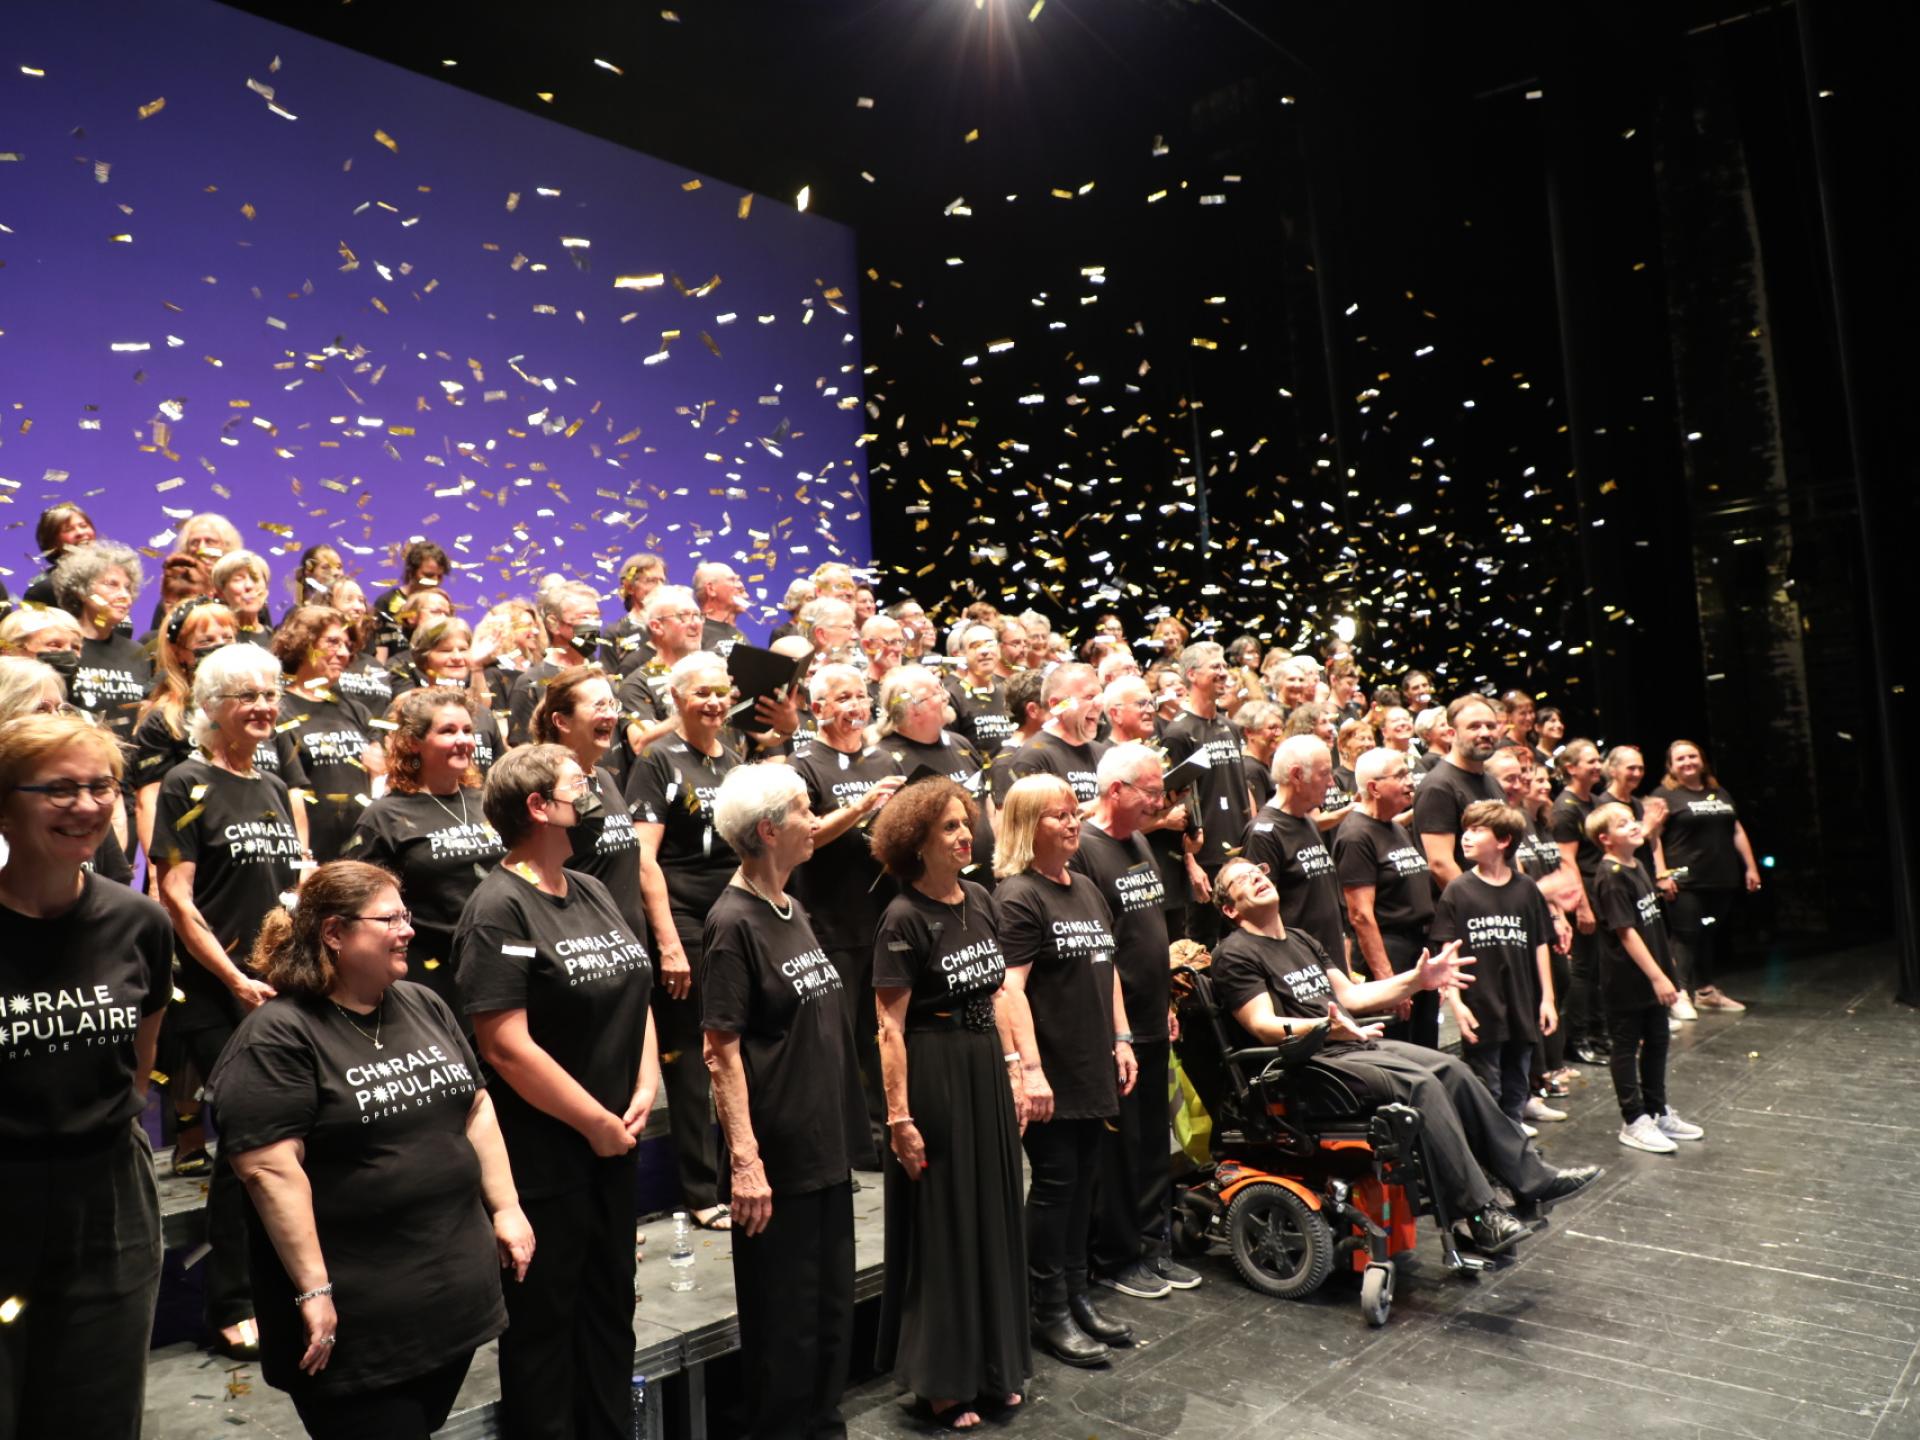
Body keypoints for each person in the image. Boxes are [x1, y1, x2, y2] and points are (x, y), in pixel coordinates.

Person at [208, 862, 529, 1440]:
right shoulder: (278, 1036)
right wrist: (313, 1289)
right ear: (333, 932)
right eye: (390, 919)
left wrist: (505, 1207)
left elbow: (476, 1105)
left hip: (449, 1312)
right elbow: (267, 1170)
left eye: (406, 916)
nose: (407, 930)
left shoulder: (423, 1004)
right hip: (357, 1334)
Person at [1208, 858, 1599, 1255]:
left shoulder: (1299, 939)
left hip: (1350, 1046)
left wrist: (1417, 981)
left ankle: (1532, 1178)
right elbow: (1261, 1023)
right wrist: (1325, 1028)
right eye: (1241, 878)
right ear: (1229, 909)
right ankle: (1480, 1214)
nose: (1257, 876)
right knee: (1421, 1086)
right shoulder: (1234, 953)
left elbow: (1351, 997)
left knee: (1452, 1068)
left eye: (1258, 870)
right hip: (1308, 1065)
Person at [457, 745, 658, 1440]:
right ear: (538, 807)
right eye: (581, 783)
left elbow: (638, 984)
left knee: (611, 1315)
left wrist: (646, 1079)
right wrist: (595, 1121)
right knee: (546, 1333)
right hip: (548, 1154)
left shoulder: (592, 887)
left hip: (615, 1138)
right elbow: (505, 1046)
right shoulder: (498, 909)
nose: (596, 788)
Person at [0, 712, 172, 1440]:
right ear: (5, 804)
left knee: (99, 1412)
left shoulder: (138, 922)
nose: (87, 805)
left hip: (107, 1198)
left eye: (101, 785)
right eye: (60, 789)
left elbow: (141, 1057)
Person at [702, 764, 873, 1440]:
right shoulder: (731, 922)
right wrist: (745, 1159)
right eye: (805, 810)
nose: (816, 820)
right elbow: (721, 1050)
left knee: (830, 1316)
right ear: (768, 829)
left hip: (825, 1144)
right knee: (787, 1329)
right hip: (777, 1159)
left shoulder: (791, 907)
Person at [152, 643, 309, 1359]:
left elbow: (288, 888)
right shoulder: (187, 781)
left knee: (290, 1139)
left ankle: (294, 1287)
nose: (265, 707)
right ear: (211, 706)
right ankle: (232, 1302)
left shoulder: (273, 785)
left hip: (276, 986)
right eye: (248, 695)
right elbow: (177, 901)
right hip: (218, 994)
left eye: (272, 694)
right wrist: (235, 977)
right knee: (247, 1146)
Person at [869, 777, 1030, 1428]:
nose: (966, 835)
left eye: (967, 824)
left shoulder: (984, 899)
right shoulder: (902, 917)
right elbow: (888, 1027)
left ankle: (994, 1363)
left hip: (984, 1066)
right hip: (934, 1073)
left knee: (993, 1214)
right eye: (949, 828)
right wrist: (900, 1116)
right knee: (946, 1225)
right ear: (916, 842)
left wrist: (1018, 1067)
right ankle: (942, 1378)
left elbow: (998, 995)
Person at [995, 775, 1137, 1368]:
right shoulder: (1018, 896)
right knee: (1054, 1187)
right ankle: (1045, 1309)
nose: (1073, 823)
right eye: (1058, 816)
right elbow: (1009, 989)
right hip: (1051, 1064)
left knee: (1084, 1186)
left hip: (1092, 1059)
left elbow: (1106, 969)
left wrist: (1123, 1036)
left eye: (1075, 812)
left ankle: (1078, 1296)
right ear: (1030, 826)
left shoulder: (1084, 887)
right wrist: (1029, 1071)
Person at [1072, 745, 1201, 1300]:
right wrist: (1119, 1029)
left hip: (1152, 1018)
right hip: (1114, 1030)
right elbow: (1100, 952)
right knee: (1119, 1150)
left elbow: (1148, 933)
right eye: (1150, 790)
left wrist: (1168, 1003)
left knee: (1153, 1144)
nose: (1159, 800)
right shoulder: (1085, 851)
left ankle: (1152, 1246)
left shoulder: (1142, 842)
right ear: (1116, 790)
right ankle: (1116, 1257)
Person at [627, 651, 740, 1229]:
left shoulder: (735, 756)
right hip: (685, 922)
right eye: (702, 693)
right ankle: (700, 1191)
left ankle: (740, 1172)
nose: (715, 702)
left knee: (736, 1049)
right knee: (694, 1062)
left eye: (721, 691)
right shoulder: (657, 761)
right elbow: (644, 859)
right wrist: (668, 943)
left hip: (735, 922)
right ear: (676, 699)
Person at [790, 663, 907, 1151]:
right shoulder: (802, 765)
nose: (855, 706)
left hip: (884, 916)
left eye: (861, 696)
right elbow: (808, 835)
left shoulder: (885, 760)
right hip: (830, 922)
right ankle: (844, 1143)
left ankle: (885, 1134)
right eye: (842, 698)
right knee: (836, 1041)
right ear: (817, 709)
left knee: (881, 1033)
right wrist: (861, 808)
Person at [343, 689, 503, 1005]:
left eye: (468, 730)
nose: (464, 740)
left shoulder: (489, 801)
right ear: (414, 742)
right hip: (431, 973)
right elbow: (359, 905)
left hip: (499, 959)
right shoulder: (384, 816)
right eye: (448, 731)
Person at [1586, 803, 1706, 1154]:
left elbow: (1650, 923)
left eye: (1633, 820)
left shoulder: (1637, 864)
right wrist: (1656, 976)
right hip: (1628, 979)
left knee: (1657, 1040)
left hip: (1654, 972)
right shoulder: (1610, 875)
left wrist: (1666, 964)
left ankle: (1656, 1108)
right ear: (1606, 839)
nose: (1635, 826)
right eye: (1623, 824)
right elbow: (1626, 932)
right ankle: (1634, 1119)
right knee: (1626, 1045)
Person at [1431, 802, 1557, 1128]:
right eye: (1465, 829)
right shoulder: (1459, 890)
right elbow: (1449, 952)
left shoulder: (1526, 889)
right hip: (1480, 1004)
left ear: (1503, 841)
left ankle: (1513, 1148)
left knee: (1517, 1085)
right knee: (1487, 1087)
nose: (1465, 837)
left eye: (1476, 830)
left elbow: (1540, 944)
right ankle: (1492, 1157)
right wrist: (1456, 1003)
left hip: (1521, 1002)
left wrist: (1548, 999)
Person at [1333, 749, 1438, 1047]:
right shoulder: (1356, 836)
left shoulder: (1393, 827)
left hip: (1417, 947)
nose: (1410, 781)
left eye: (1409, 773)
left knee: (1425, 1041)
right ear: (1374, 788)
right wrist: (1388, 982)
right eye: (1400, 775)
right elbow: (1360, 915)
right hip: (1390, 951)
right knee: (1401, 1045)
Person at [1651, 739, 1759, 1014]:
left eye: (1692, 756)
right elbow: (1653, 838)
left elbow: (1735, 829)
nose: (1687, 762)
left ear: (1701, 760)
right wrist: (1662, 875)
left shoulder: (1718, 791)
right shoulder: (1664, 796)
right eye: (1680, 759)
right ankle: (1678, 995)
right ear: (1671, 766)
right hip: (1684, 880)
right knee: (1686, 936)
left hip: (1720, 878)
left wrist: (1751, 866)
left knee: (1706, 934)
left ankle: (1706, 991)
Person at [132, 597, 239, 862]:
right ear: (178, 651)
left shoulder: (257, 713)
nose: (220, 648)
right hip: (189, 856)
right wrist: (158, 876)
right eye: (206, 642)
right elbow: (150, 802)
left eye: (228, 638)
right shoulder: (164, 719)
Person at [272, 607, 379, 864]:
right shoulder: (278, 708)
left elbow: (380, 770)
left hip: (361, 855)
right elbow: (291, 791)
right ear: (303, 642)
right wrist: (303, 859)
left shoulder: (356, 710)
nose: (343, 653)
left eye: (347, 645)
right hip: (312, 855)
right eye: (332, 642)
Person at [1161, 642, 1254, 936]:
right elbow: (1176, 800)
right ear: (1191, 674)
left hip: (1239, 851)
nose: (1224, 673)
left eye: (1225, 666)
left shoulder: (1230, 726)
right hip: (1205, 857)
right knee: (1204, 946)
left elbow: (1241, 784)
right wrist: (1190, 863)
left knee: (1242, 935)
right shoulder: (1178, 732)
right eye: (1215, 667)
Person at [1243, 735, 1347, 965]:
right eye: (1324, 774)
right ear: (1297, 775)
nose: (1331, 782)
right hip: (1297, 968)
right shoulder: (1264, 833)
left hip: (1328, 962)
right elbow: (1259, 917)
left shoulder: (1307, 821)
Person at [50, 541, 151, 746]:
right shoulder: (59, 647)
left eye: (128, 588)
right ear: (81, 590)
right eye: (112, 584)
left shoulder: (137, 652)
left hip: (130, 770)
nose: (124, 595)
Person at [1551, 739, 1610, 1066]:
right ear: (1571, 768)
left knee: (1600, 968)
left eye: (1597, 761)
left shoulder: (1596, 801)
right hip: (1582, 890)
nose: (1597, 766)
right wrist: (1583, 905)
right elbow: (1567, 860)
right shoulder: (1566, 807)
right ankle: (1578, 1039)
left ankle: (1599, 1033)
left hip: (1599, 888)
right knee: (1583, 969)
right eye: (1589, 761)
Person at [1411, 695, 1505, 887]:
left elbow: (1507, 854)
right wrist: (1485, 906)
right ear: (1452, 733)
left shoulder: (1492, 781)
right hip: (1472, 910)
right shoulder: (1438, 785)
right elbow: (1440, 864)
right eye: (1474, 726)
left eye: (1491, 726)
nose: (1485, 733)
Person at [396, 616, 505, 777]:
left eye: (463, 650)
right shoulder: (408, 707)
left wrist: (477, 666)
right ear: (424, 658)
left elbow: (499, 772)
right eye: (445, 650)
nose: (457, 657)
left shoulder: (484, 713)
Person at [505, 581, 603, 745]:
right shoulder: (530, 683)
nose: (593, 625)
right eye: (585, 617)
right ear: (554, 624)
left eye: (596, 617)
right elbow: (524, 755)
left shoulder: (604, 678)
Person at [1002, 661, 1106, 803]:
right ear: (1057, 705)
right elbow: (1030, 820)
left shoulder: (1104, 753)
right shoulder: (1032, 757)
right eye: (1089, 697)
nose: (1099, 704)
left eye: (1100, 696)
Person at [944, 622, 1016, 760]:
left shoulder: (1009, 689)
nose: (984, 651)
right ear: (963, 655)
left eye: (989, 644)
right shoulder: (952, 697)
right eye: (975, 646)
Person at [19, 501, 96, 605]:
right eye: (69, 529)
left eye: (83, 526)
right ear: (52, 543)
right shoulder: (43, 590)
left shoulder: (114, 572)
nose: (80, 533)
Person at [213, 550, 276, 645]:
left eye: (255, 578)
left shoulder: (277, 640)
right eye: (238, 579)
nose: (249, 586)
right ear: (220, 592)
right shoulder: (215, 639)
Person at [692, 561, 750, 657]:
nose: (740, 585)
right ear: (711, 589)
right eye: (732, 580)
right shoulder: (694, 630)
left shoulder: (741, 636)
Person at [1236, 700, 1285, 811]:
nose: (1279, 734)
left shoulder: (1265, 765)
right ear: (1249, 732)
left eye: (1281, 728)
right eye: (1272, 728)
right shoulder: (1251, 770)